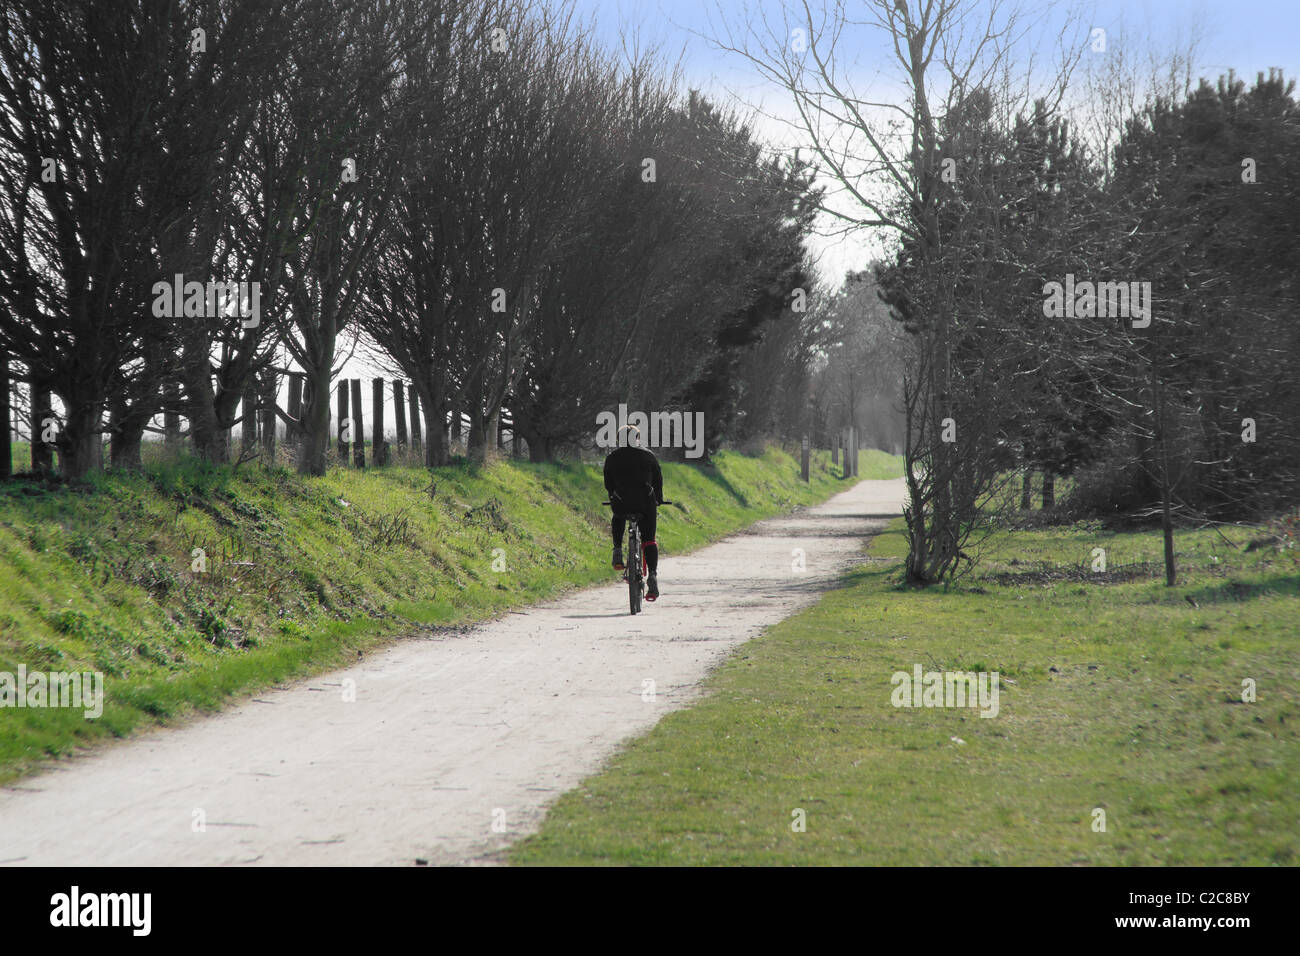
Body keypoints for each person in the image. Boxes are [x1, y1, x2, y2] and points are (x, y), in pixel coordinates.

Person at [603, 424, 664, 601]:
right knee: (649, 539)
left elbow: (608, 484)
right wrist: (658, 499)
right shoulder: (648, 456)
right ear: (637, 438)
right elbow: (658, 481)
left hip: (622, 501)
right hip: (646, 502)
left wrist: (614, 495)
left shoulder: (612, 458)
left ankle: (617, 550)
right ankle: (652, 574)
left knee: (618, 516)